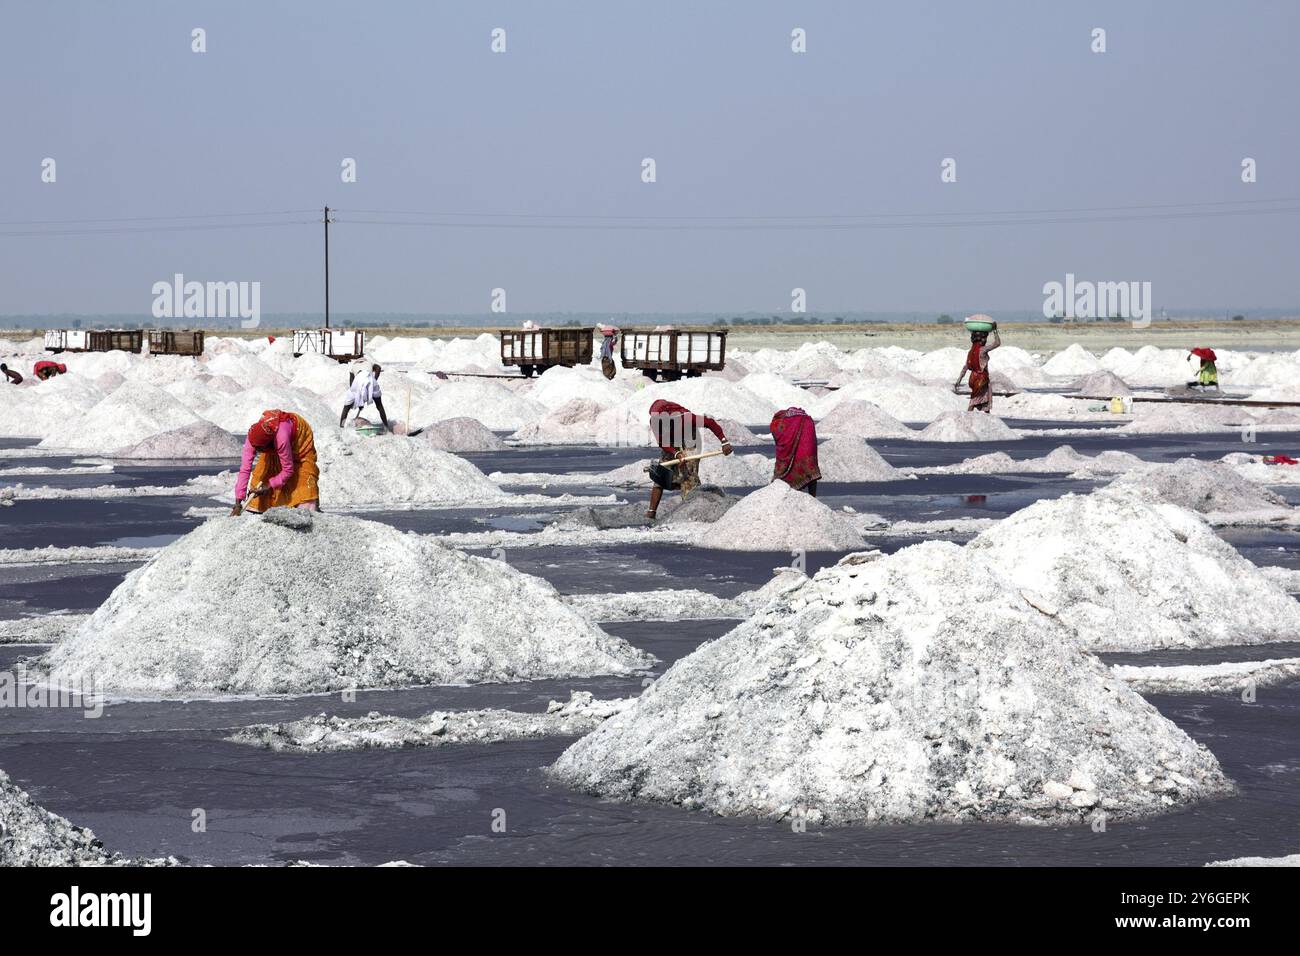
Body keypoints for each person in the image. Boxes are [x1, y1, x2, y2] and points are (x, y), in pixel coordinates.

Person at [646, 398, 732, 519]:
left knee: (688, 474)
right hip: (669, 440)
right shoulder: (654, 421)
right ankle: (651, 512)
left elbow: (710, 423)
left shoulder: (685, 418)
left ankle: (691, 512)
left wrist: (724, 441)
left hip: (689, 436)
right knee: (661, 472)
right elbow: (662, 441)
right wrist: (675, 453)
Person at [231, 409, 320, 516]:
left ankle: (306, 506)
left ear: (269, 445)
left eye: (262, 450)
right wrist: (238, 502)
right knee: (263, 473)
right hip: (273, 440)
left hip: (299, 440)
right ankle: (262, 509)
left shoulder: (281, 438)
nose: (260, 452)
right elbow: (245, 468)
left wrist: (268, 486)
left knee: (303, 476)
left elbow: (288, 470)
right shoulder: (252, 438)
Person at [953, 316, 1001, 413]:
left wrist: (959, 379)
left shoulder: (971, 352)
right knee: (975, 401)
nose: (985, 340)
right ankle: (969, 418)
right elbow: (997, 343)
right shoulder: (982, 350)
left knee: (982, 400)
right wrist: (995, 331)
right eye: (984, 338)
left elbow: (966, 367)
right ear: (980, 339)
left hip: (973, 379)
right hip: (981, 379)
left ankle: (986, 419)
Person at [770, 406, 821, 496]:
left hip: (803, 452)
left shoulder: (784, 422)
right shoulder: (807, 420)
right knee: (810, 471)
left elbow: (780, 437)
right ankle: (812, 497)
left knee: (799, 474)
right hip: (809, 453)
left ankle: (792, 497)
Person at [340, 362, 392, 430]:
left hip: (358, 380)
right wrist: (374, 380)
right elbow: (378, 368)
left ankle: (341, 427)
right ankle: (386, 426)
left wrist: (359, 401)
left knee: (346, 407)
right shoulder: (369, 363)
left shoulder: (353, 366)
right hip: (370, 379)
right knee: (379, 405)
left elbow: (352, 386)